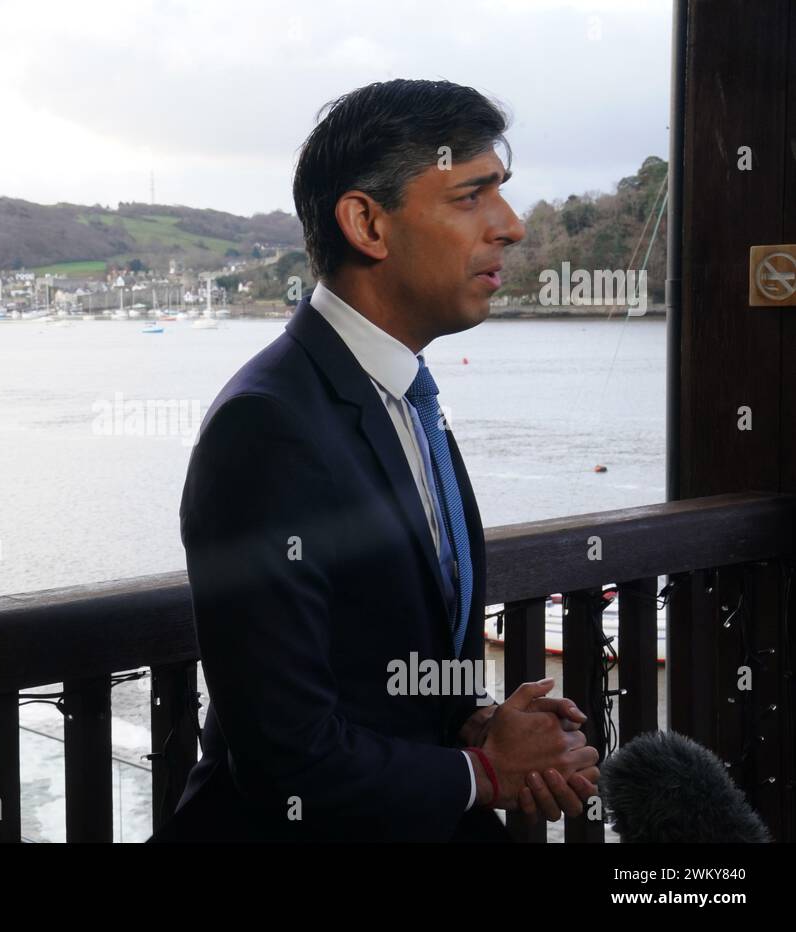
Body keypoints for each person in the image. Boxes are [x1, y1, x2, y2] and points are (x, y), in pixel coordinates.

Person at [149, 79, 599, 843]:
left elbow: (375, 663)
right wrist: (487, 775)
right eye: (470, 196)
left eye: (504, 194)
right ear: (366, 223)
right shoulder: (266, 426)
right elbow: (283, 758)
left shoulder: (402, 392)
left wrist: (478, 723)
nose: (513, 227)